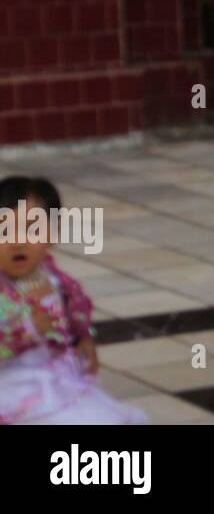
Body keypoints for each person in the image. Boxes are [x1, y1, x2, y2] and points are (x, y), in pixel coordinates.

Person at [0, 176, 147, 424]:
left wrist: (83, 337)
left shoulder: (54, 278)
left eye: (32, 229)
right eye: (4, 230)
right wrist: (28, 330)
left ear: (53, 233)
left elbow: (76, 308)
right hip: (12, 386)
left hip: (57, 380)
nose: (18, 242)